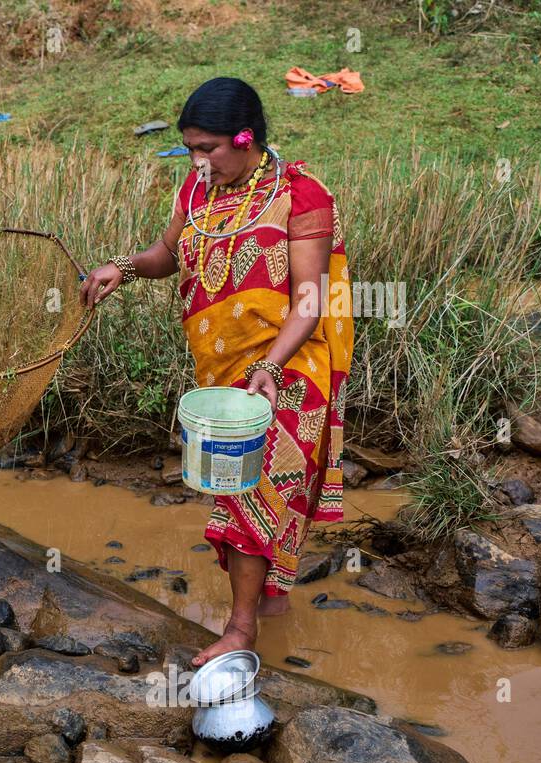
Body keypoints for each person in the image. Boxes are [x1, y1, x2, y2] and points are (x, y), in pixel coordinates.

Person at [80, 77, 353, 666]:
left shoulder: (300, 193)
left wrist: (269, 364)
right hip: (224, 370)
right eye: (192, 150)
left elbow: (309, 299)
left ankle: (241, 631)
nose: (199, 161)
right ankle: (272, 610)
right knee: (243, 486)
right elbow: (167, 255)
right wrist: (122, 268)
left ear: (247, 138)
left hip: (288, 367)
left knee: (249, 488)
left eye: (209, 148)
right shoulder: (199, 189)